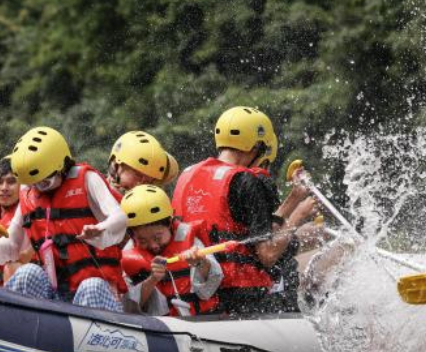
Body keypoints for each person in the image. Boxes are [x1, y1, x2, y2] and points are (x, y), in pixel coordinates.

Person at [171, 106, 320, 314]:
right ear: (256, 146)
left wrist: (293, 198)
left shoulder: (187, 176)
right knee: (315, 286)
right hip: (244, 300)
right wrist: (299, 215)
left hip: (194, 297)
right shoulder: (245, 181)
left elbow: (255, 230)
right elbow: (268, 255)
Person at [0, 126, 126, 310]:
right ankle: (11, 324)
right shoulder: (29, 194)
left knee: (92, 286)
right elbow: (11, 246)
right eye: (33, 184)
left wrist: (101, 230)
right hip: (56, 293)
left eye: (44, 182)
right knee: (28, 273)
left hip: (95, 292)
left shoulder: (87, 179)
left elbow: (119, 219)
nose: (39, 188)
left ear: (62, 167)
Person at [120, 185, 222, 316]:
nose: (153, 246)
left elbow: (210, 288)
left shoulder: (190, 240)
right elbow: (128, 308)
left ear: (169, 223)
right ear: (132, 235)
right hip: (160, 327)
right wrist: (152, 280)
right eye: (143, 241)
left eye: (158, 237)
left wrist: (200, 262)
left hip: (200, 321)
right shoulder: (128, 253)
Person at [107, 131, 179, 193]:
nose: (140, 185)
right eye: (138, 175)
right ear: (115, 166)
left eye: (147, 182)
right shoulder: (97, 196)